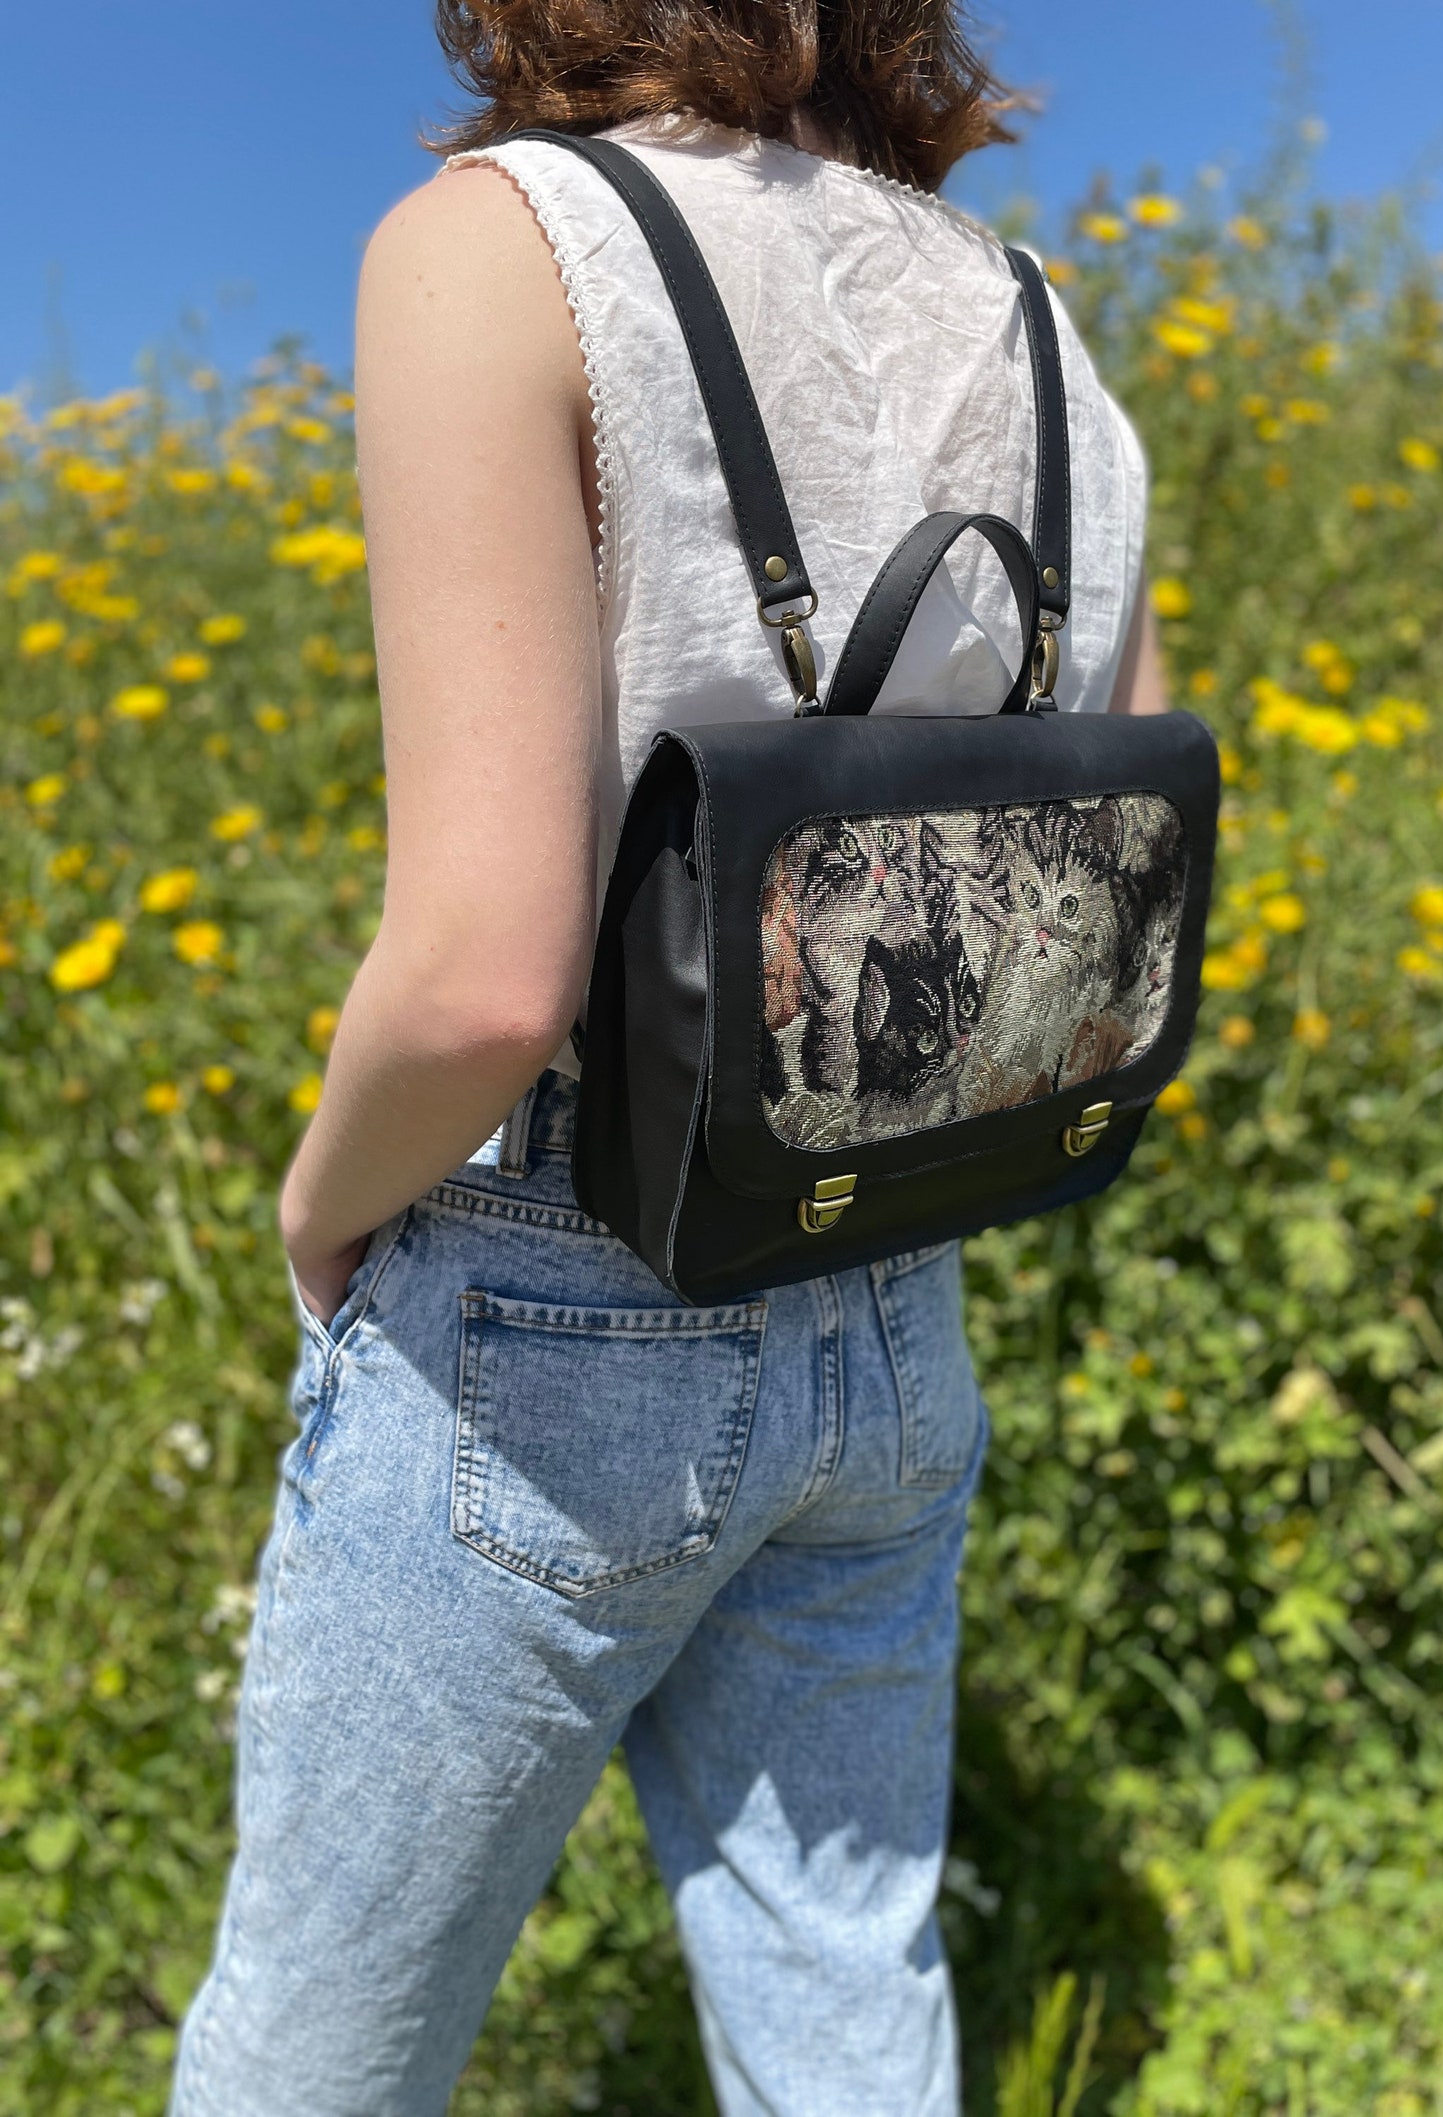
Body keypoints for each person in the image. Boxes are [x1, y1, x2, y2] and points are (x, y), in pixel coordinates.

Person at [171, 4, 1166, 2110]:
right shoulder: (1041, 335)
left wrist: (320, 1209)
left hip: (541, 1305)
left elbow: (481, 982)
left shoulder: (499, 246)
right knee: (839, 1984)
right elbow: (1129, 817)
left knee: (317, 2045)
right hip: (895, 1293)